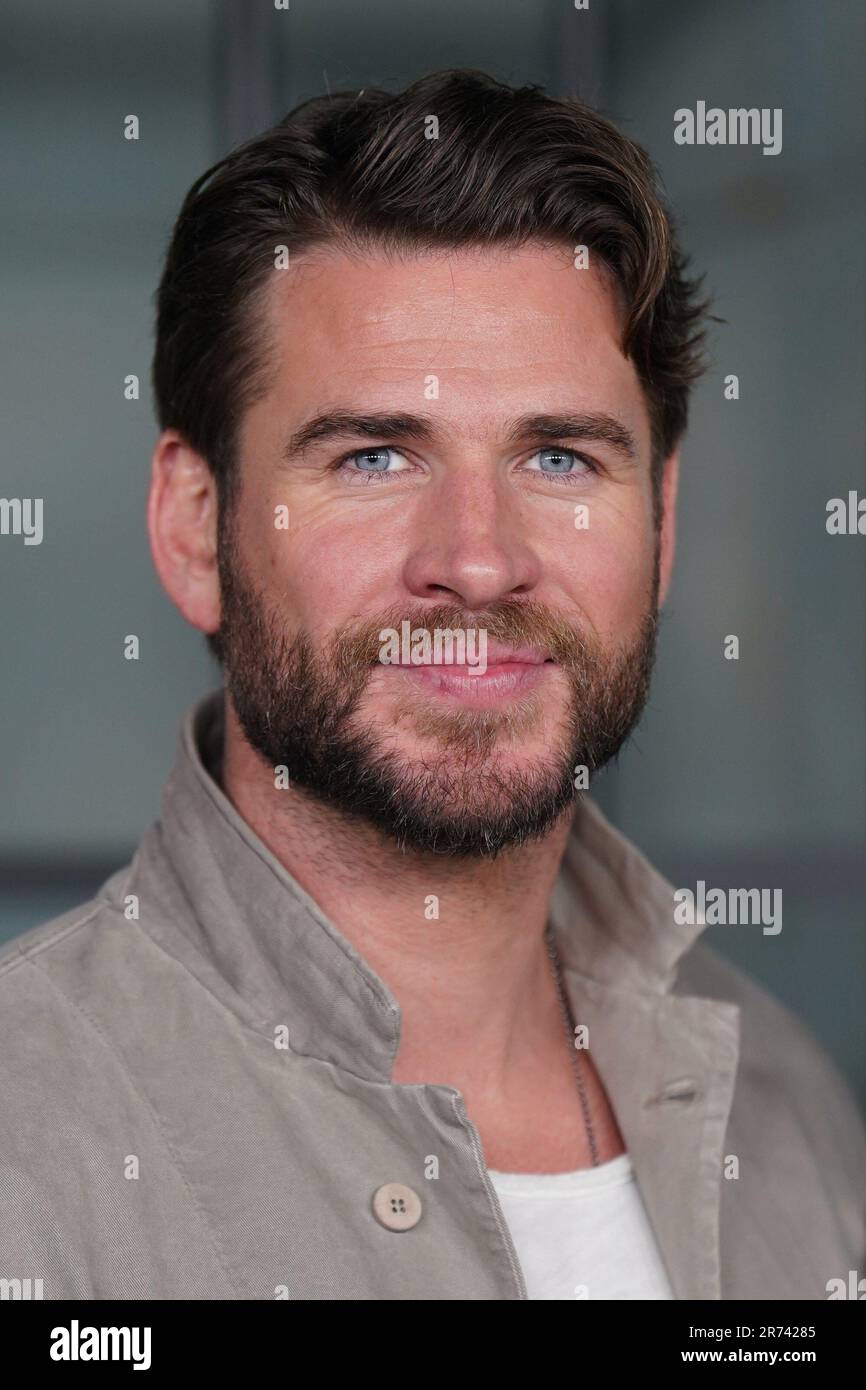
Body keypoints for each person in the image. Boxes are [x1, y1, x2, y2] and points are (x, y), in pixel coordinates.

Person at [1, 70, 863, 1301]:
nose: (476, 560)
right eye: (373, 454)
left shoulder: (781, 1100)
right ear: (197, 530)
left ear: (661, 530)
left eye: (559, 454)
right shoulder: (27, 1149)